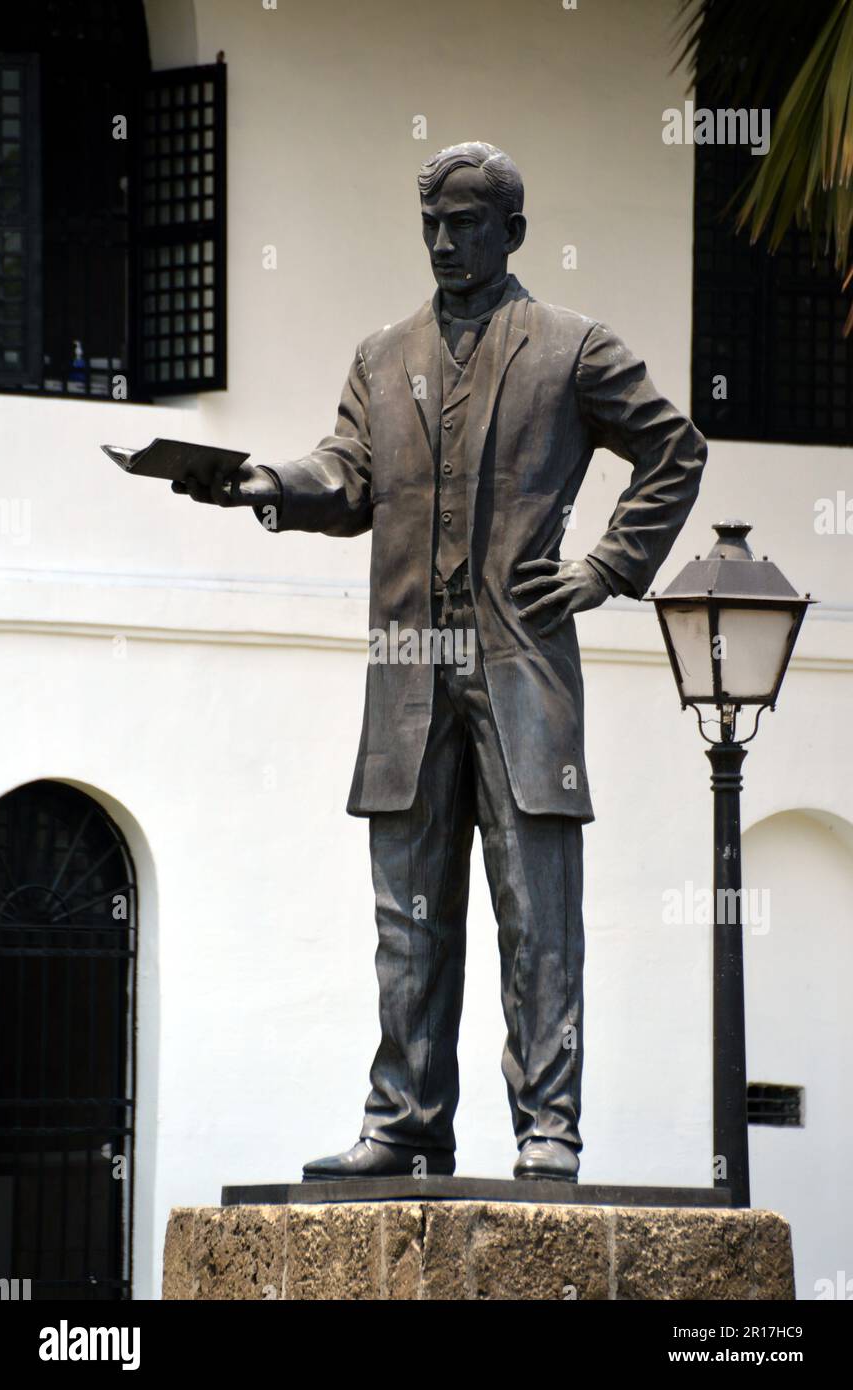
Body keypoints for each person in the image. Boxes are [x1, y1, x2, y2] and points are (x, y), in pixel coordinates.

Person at [174, 141, 706, 1182]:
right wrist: (266, 483)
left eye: (464, 223)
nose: (444, 242)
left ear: (511, 230)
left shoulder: (570, 347)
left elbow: (673, 447)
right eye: (431, 224)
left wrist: (606, 566)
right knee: (406, 918)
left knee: (536, 913)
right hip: (408, 679)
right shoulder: (383, 356)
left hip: (520, 671)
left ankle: (547, 1125)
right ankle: (407, 1119)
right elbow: (346, 473)